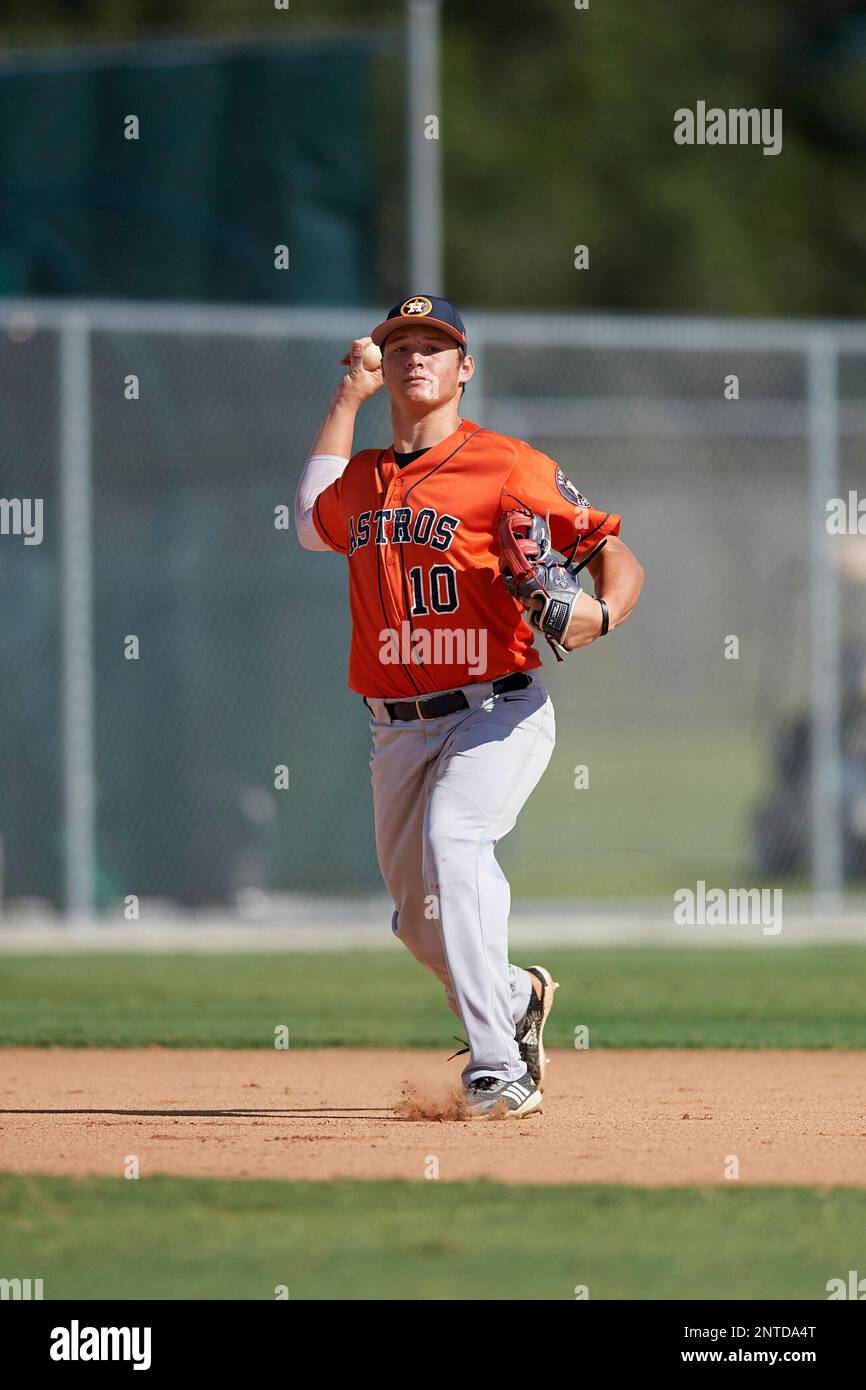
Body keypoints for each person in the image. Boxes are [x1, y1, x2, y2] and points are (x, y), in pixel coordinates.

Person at [295, 295, 644, 1118]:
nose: (416, 358)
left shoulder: (507, 464)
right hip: (394, 730)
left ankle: (500, 1069)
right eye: (402, 345)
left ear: (464, 368)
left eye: (435, 346)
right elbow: (310, 524)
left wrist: (603, 612)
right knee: (421, 927)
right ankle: (519, 996)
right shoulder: (364, 479)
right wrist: (345, 400)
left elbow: (607, 546)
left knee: (458, 837)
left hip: (497, 708)